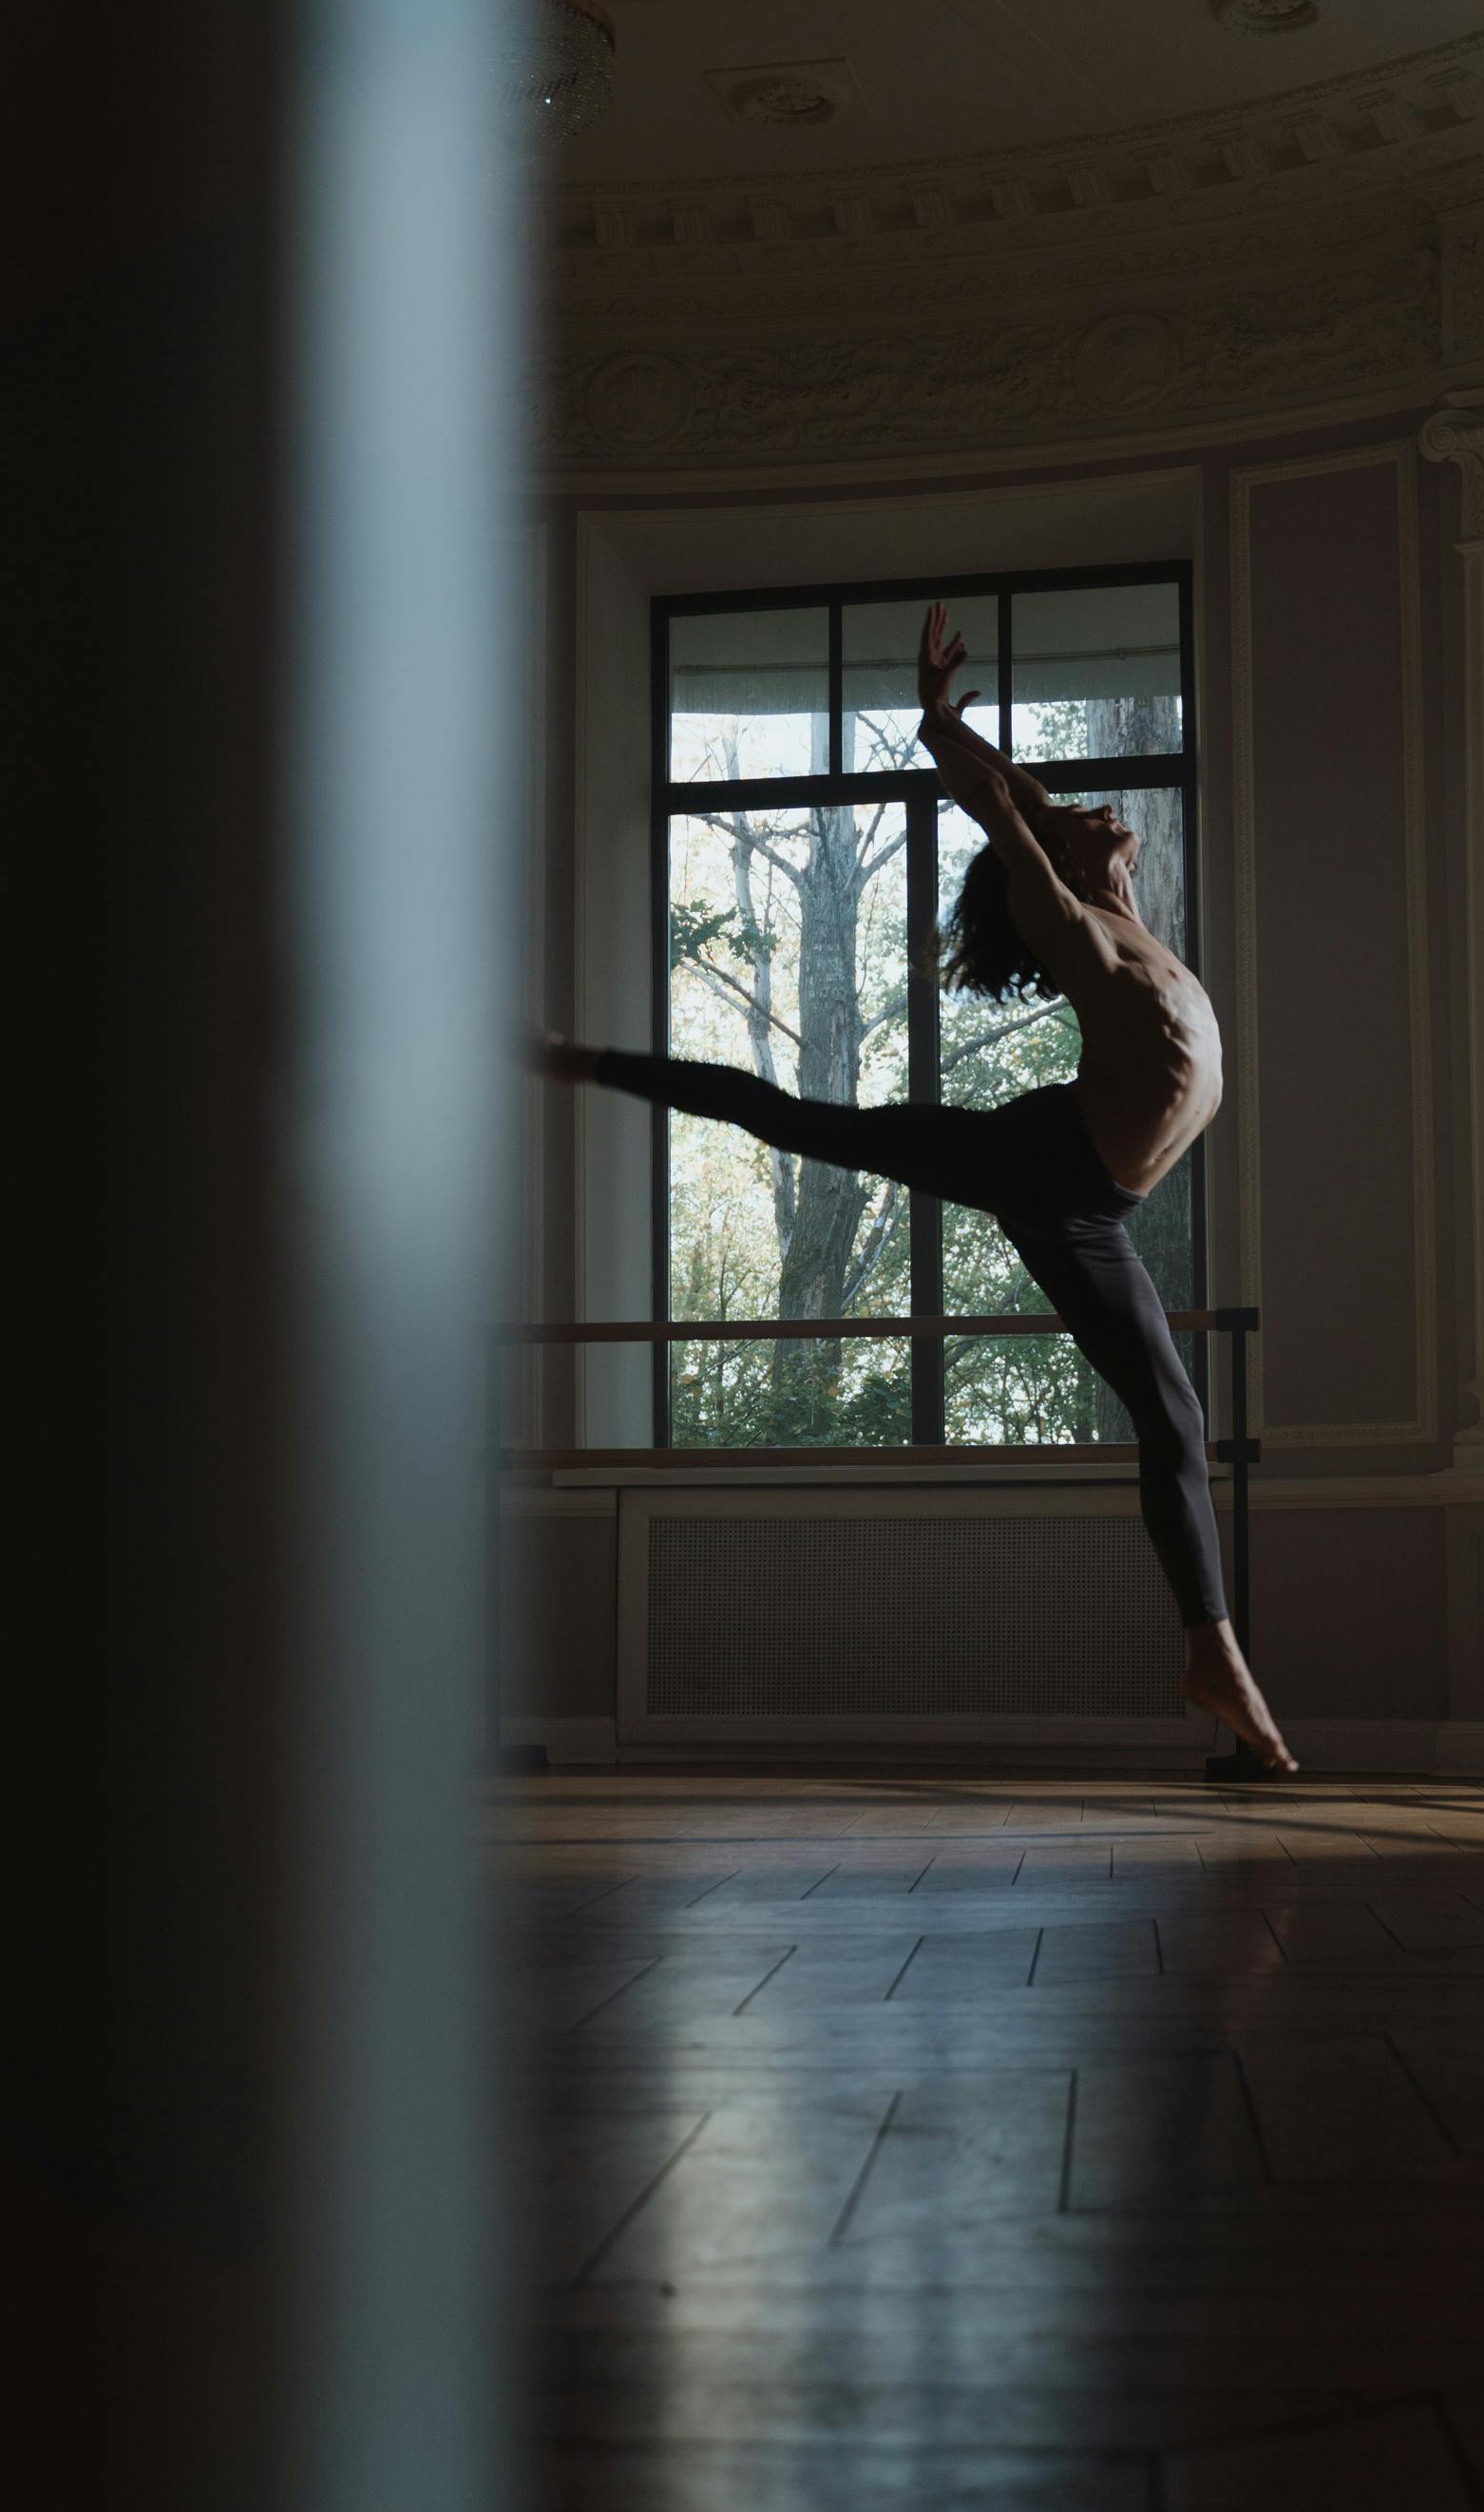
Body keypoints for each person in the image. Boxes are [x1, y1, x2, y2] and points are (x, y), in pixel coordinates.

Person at [529, 600, 1296, 1773]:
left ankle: (1219, 1678)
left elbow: (1024, 800)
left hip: (1093, 1205)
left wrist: (970, 735)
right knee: (797, 1119)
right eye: (1071, 823)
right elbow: (1004, 814)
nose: (1087, 808)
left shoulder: (1116, 910)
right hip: (1051, 1168)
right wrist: (934, 726)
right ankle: (583, 1060)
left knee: (1174, 1419)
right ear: (1056, 878)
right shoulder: (1076, 928)